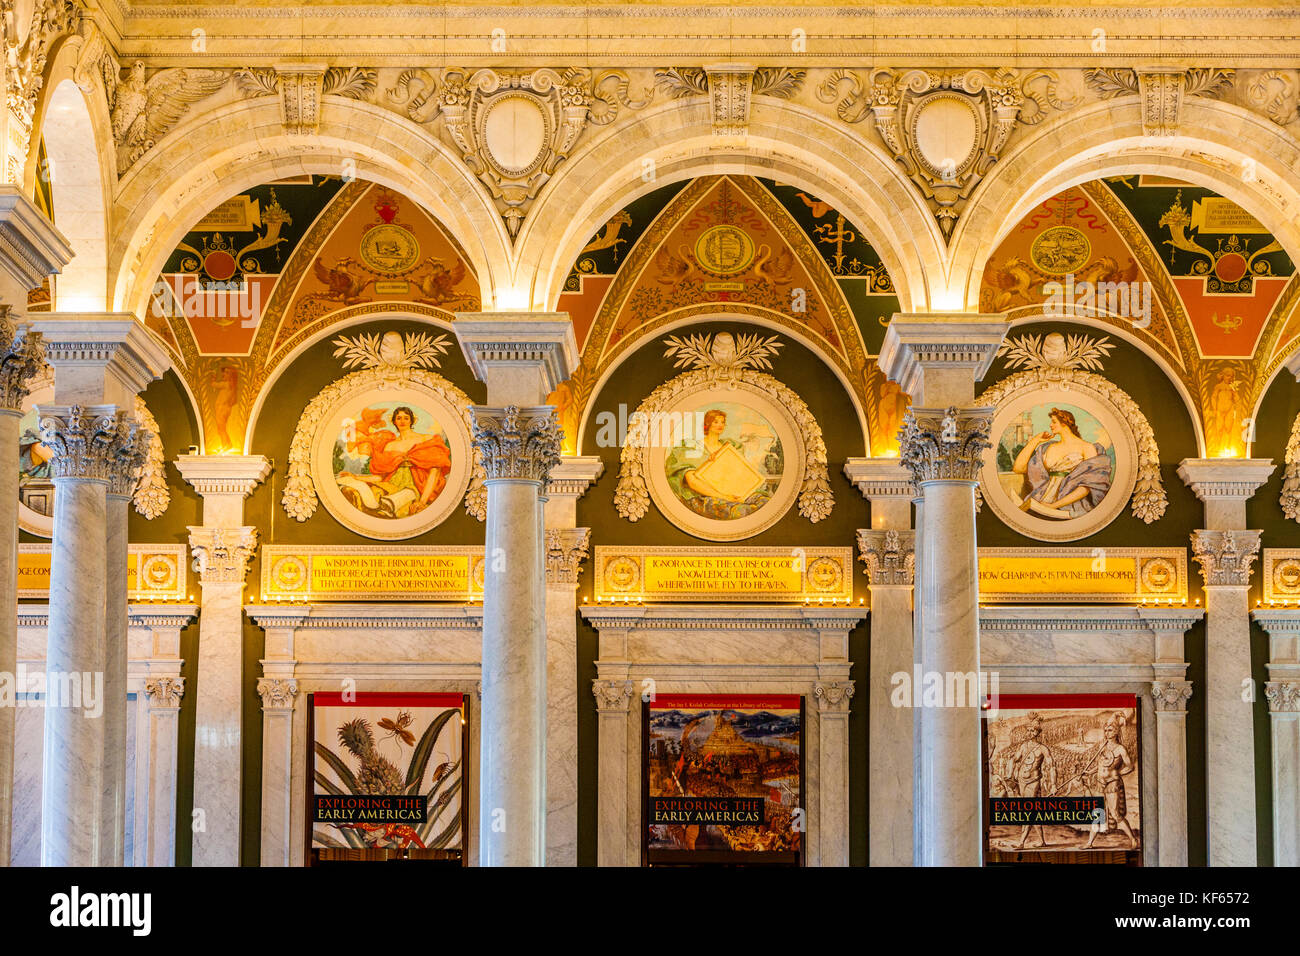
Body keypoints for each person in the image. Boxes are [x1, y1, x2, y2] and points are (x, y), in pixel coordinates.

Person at [664, 408, 772, 519]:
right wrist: (725, 497)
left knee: (764, 502)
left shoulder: (730, 446)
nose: (720, 425)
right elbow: (692, 482)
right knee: (740, 511)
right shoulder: (691, 447)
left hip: (733, 491)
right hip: (705, 495)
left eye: (722, 422)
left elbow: (738, 473)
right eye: (715, 421)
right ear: (707, 424)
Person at [344, 405, 451, 516]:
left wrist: (422, 501)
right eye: (399, 418)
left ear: (412, 420)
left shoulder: (426, 439)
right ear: (394, 421)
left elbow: (435, 472)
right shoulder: (389, 446)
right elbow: (381, 476)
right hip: (392, 484)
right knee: (369, 496)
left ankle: (388, 505)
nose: (402, 421)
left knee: (404, 496)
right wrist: (356, 477)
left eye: (406, 417)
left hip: (418, 485)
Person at [1012, 407, 1112, 518]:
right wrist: (1035, 440)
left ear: (1065, 423)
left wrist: (1054, 505)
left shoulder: (1087, 447)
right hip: (1042, 499)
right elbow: (1018, 468)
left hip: (1069, 503)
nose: (1050, 425)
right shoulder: (1048, 447)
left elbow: (1087, 486)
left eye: (1054, 422)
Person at [1085, 715, 1138, 849]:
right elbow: (1099, 765)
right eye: (1106, 730)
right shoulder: (1102, 747)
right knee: (1097, 812)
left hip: (1112, 784)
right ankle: (1090, 843)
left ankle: (1133, 840)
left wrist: (1118, 773)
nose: (1107, 732)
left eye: (1110, 730)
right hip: (1099, 783)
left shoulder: (1121, 749)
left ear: (1116, 732)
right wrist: (1089, 773)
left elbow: (1130, 766)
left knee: (1115, 814)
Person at [1008, 715, 1056, 849]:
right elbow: (1015, 759)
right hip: (1021, 782)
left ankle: (1021, 842)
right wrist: (1011, 767)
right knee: (1033, 812)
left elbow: (1052, 766)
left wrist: (1053, 785)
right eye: (1028, 730)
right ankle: (1042, 841)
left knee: (1027, 810)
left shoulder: (1042, 748)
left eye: (1032, 731)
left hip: (1033, 782)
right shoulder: (1023, 746)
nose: (1029, 733)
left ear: (1037, 732)